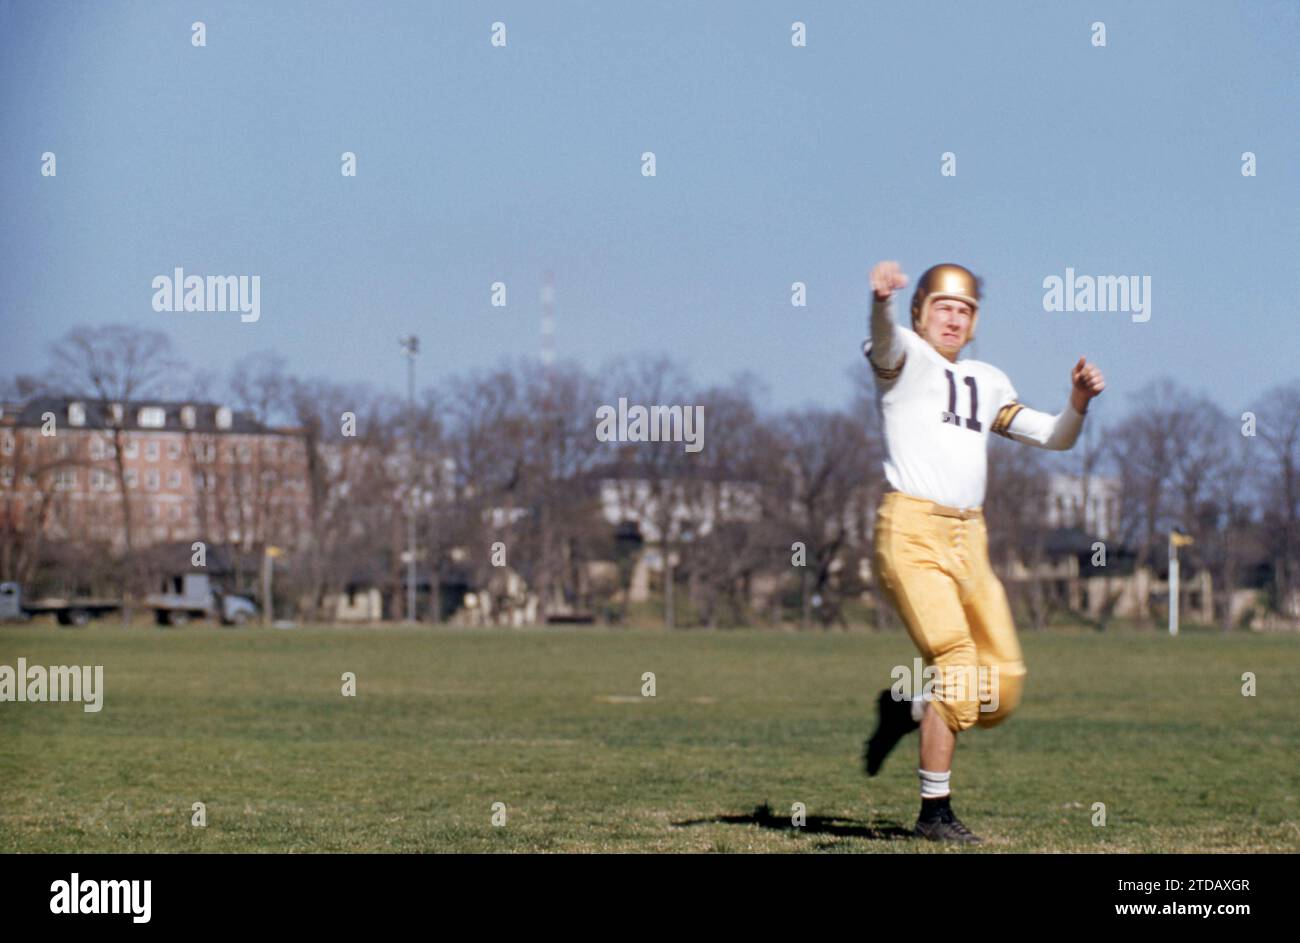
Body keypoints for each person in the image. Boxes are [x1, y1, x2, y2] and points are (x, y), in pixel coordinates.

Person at [861, 260, 1105, 843]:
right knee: (958, 664)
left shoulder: (986, 379)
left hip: (971, 537)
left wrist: (1077, 402)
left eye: (964, 310)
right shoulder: (904, 359)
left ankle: (909, 708)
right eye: (942, 306)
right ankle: (933, 813)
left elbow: (1055, 437)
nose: (953, 317)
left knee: (1003, 688)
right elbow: (886, 341)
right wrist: (881, 301)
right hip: (912, 530)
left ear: (975, 323)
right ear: (919, 311)